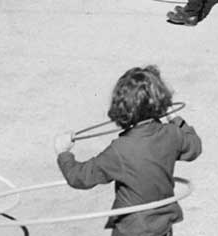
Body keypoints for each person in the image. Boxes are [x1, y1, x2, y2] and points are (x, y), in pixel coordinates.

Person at [55, 65, 202, 236]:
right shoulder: (171, 134)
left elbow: (79, 177)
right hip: (162, 228)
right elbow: (194, 146)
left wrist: (63, 152)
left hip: (131, 230)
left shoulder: (120, 150)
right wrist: (173, 116)